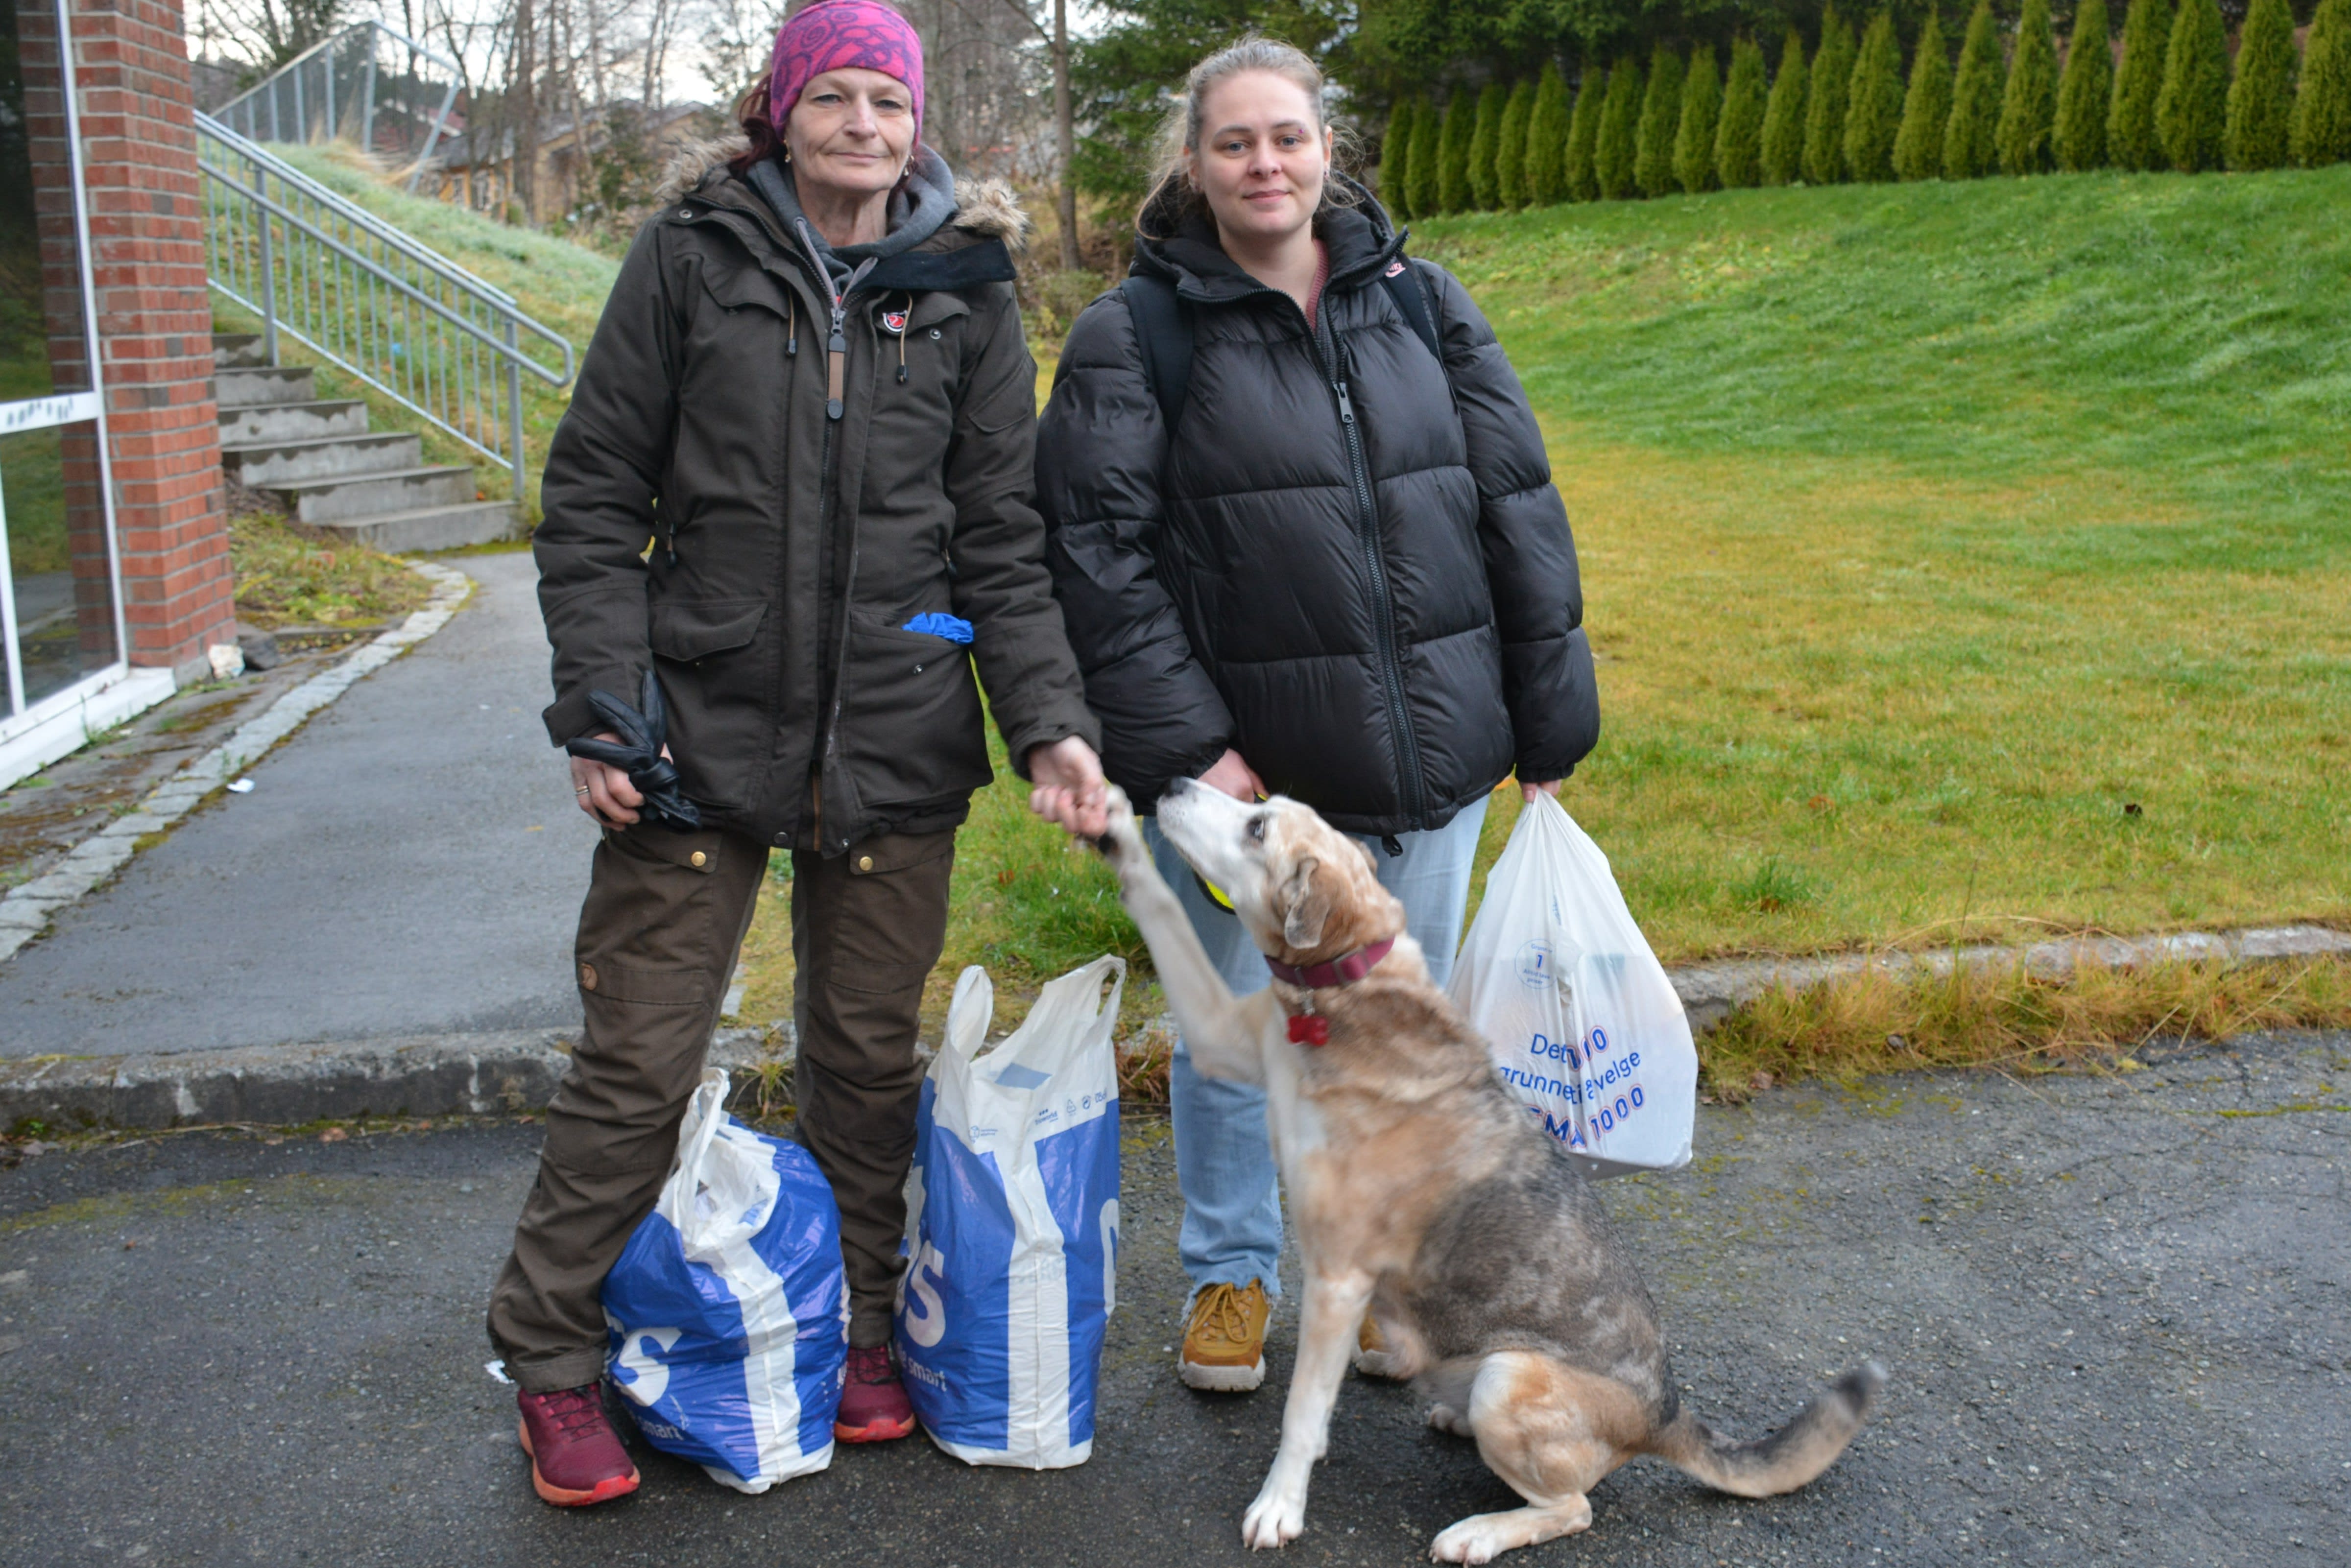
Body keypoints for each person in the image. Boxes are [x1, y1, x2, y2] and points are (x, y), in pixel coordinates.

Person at [492, 0, 1106, 1506]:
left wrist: (1050, 725)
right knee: (636, 1057)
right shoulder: (690, 261)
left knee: (861, 1062)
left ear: (918, 124)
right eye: (831, 97)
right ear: (781, 114)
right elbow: (590, 506)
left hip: (896, 737)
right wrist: (599, 707)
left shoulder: (965, 286)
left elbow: (1003, 544)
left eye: (885, 102)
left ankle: (860, 1336)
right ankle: (553, 1363)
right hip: (692, 733)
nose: (863, 127)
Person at [1032, 37, 1599, 1394]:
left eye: (1287, 137)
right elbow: (1095, 556)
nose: (1265, 163)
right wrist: (1195, 757)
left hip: (1431, 756)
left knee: (1399, 1043)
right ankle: (1233, 1273)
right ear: (1195, 161)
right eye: (1235, 142)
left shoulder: (1422, 300)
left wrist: (1545, 722)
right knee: (1245, 1037)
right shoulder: (1137, 332)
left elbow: (1516, 500)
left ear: (1327, 148)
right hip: (1254, 782)